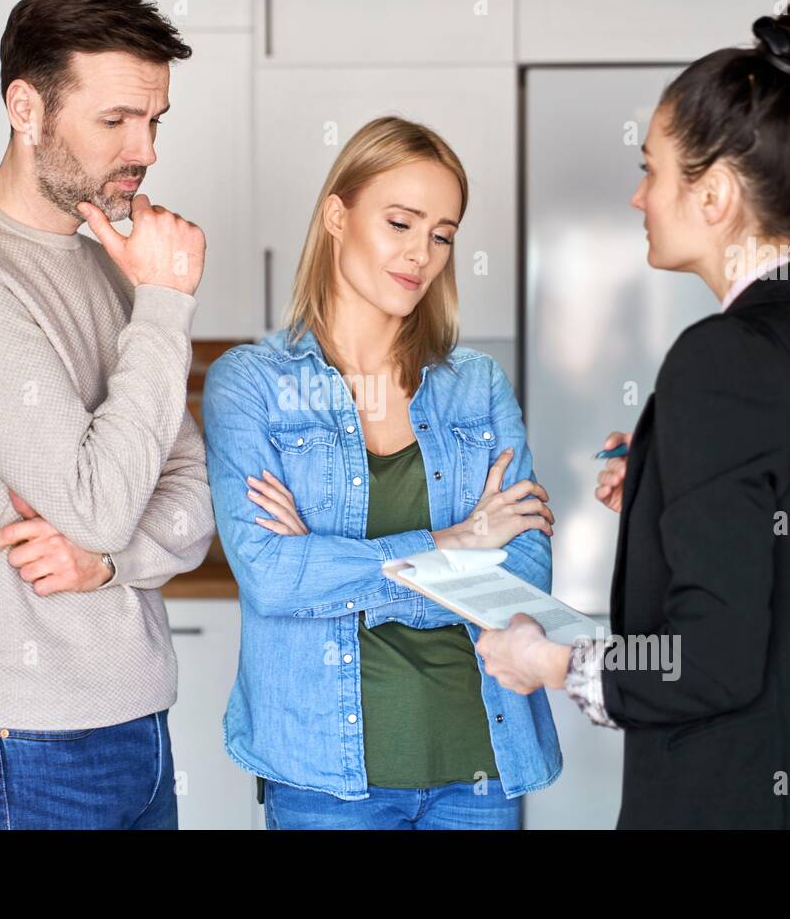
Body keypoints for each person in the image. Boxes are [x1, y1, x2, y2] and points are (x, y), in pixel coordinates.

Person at [476, 0, 790, 829]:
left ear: (717, 193)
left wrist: (548, 660)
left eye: (652, 169)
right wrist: (664, 481)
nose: (638, 197)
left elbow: (707, 661)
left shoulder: (721, 361)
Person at [0, 0, 214, 829]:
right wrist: (168, 305)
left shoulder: (110, 263)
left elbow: (190, 493)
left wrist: (108, 566)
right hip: (14, 743)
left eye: (154, 120)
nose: (144, 151)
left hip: (137, 721)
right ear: (26, 108)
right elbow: (105, 502)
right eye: (115, 120)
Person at [202, 116, 560, 829]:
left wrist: (335, 568)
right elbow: (272, 578)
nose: (421, 254)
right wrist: (454, 545)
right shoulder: (252, 384)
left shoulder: (476, 385)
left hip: (479, 765)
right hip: (324, 779)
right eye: (400, 222)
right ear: (337, 214)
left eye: (442, 234)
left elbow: (522, 582)